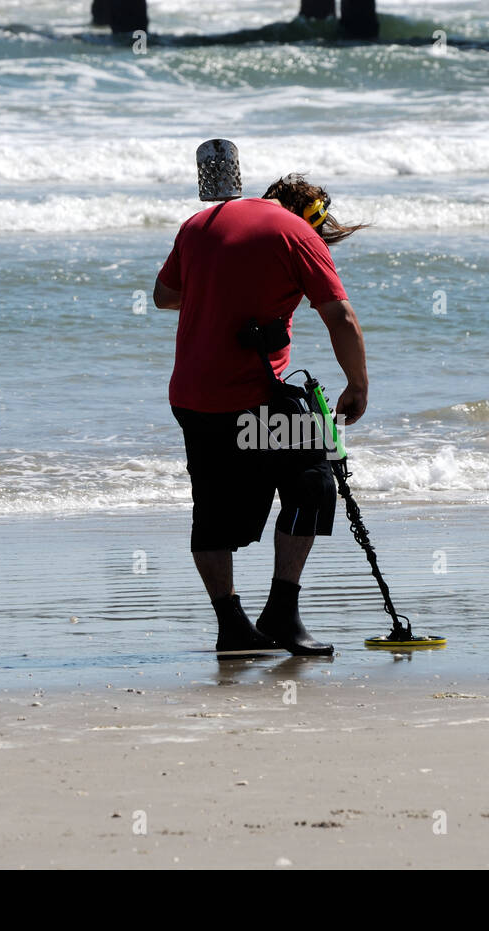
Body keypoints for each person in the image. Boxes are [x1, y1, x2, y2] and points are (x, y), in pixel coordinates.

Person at [154, 174, 369, 657]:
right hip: (254, 398)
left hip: (192, 398)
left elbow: (164, 296)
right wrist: (357, 384)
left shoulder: (197, 225)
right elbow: (341, 317)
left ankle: (231, 626)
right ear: (308, 215)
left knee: (211, 509)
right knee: (313, 482)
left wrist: (221, 290)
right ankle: (281, 613)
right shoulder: (294, 233)